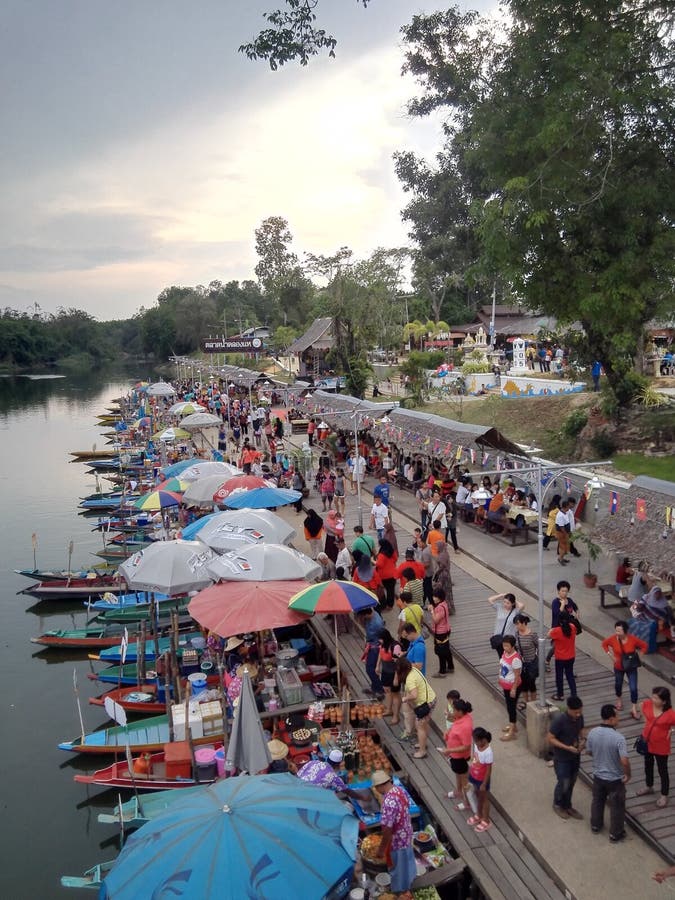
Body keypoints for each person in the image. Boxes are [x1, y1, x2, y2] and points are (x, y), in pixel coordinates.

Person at [586, 704, 630, 842]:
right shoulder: (619, 738)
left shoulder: (592, 732)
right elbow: (624, 761)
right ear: (611, 719)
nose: (619, 718)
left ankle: (595, 825)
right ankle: (615, 833)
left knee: (597, 801)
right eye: (617, 716)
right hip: (615, 779)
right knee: (617, 806)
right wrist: (628, 774)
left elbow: (588, 751)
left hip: (598, 775)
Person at [372, 769, 416, 896]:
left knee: (399, 867)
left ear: (381, 785)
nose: (376, 790)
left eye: (376, 787)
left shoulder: (388, 803)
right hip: (406, 831)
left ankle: (401, 890)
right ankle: (410, 880)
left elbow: (387, 829)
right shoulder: (399, 790)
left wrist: (381, 849)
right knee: (407, 859)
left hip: (397, 840)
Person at [636, 686, 675, 809]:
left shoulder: (670, 714)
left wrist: (672, 730)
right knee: (648, 764)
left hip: (661, 745)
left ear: (664, 701)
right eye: (653, 696)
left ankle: (664, 794)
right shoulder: (647, 704)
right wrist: (645, 721)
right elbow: (640, 705)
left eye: (656, 698)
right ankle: (649, 785)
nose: (653, 699)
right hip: (647, 741)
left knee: (662, 769)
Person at [548, 695, 585, 820]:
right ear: (569, 709)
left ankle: (567, 805)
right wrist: (566, 747)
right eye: (576, 712)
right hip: (562, 757)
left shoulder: (580, 718)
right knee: (564, 782)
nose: (578, 714)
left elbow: (581, 731)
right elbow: (550, 738)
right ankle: (558, 804)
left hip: (575, 756)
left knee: (572, 781)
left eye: (580, 711)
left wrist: (582, 741)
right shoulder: (559, 720)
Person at [601, 621, 648, 719]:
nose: (617, 632)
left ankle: (634, 707)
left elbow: (644, 645)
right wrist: (610, 655)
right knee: (618, 684)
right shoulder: (613, 639)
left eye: (619, 630)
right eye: (616, 630)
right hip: (618, 666)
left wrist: (640, 656)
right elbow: (604, 644)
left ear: (625, 631)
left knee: (633, 687)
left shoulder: (632, 639)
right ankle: (619, 699)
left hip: (631, 667)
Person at [397, 657, 436, 758]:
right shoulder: (413, 669)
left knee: (420, 726)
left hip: (426, 703)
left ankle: (422, 751)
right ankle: (423, 743)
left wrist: (405, 698)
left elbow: (414, 695)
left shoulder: (409, 679)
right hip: (431, 698)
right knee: (424, 723)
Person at [438, 698, 474, 810]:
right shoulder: (462, 717)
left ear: (459, 711)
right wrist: (448, 732)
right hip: (454, 756)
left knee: (465, 781)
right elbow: (454, 721)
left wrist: (449, 751)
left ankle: (467, 802)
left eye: (453, 710)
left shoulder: (465, 726)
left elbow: (466, 746)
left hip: (459, 757)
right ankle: (458, 791)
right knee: (458, 773)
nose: (452, 712)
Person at [549, 612, 582, 701]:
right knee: (570, 675)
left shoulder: (557, 631)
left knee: (559, 676)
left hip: (560, 658)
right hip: (571, 656)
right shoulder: (573, 627)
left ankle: (560, 694)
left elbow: (549, 635)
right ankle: (574, 694)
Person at [466, 727, 494, 832]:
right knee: (478, 796)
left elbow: (488, 770)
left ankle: (486, 820)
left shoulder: (488, 752)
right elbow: (474, 758)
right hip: (474, 775)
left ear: (483, 740)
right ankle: (478, 814)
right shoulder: (477, 746)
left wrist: (484, 783)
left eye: (477, 741)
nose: (475, 743)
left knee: (485, 798)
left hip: (482, 779)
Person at [498, 635, 522, 742]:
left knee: (511, 707)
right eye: (504, 645)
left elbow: (517, 675)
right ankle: (513, 725)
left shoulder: (516, 659)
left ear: (512, 646)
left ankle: (512, 732)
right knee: (509, 706)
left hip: (512, 686)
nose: (505, 648)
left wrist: (514, 688)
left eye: (507, 646)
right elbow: (502, 667)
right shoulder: (504, 653)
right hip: (505, 685)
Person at [487, 592, 524, 657]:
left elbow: (522, 605)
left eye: (508, 603)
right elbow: (490, 599)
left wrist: (514, 600)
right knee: (502, 658)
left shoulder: (515, 611)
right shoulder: (499, 607)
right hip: (498, 638)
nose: (505, 604)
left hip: (509, 640)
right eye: (504, 602)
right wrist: (501, 595)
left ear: (512, 603)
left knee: (512, 658)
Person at [359, 606, 385, 699]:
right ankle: (374, 687)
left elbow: (383, 638)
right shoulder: (372, 615)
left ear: (366, 614)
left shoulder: (377, 624)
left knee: (370, 669)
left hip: (375, 647)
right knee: (371, 668)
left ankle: (380, 689)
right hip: (370, 643)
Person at [378, 629, 403, 724]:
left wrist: (396, 677)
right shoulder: (383, 645)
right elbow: (380, 654)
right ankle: (389, 709)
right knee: (387, 690)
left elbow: (399, 663)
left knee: (395, 694)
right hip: (385, 671)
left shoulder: (395, 646)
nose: (379, 641)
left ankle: (396, 716)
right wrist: (377, 665)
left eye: (380, 639)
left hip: (394, 673)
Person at [514, 614, 538, 707]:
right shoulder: (517, 634)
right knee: (523, 683)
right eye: (515, 624)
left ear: (524, 623)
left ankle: (533, 702)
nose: (517, 626)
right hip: (522, 663)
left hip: (531, 662)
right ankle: (526, 702)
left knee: (532, 683)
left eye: (518, 624)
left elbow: (538, 646)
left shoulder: (532, 634)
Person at [430, 587, 454, 677]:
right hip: (446, 630)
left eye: (435, 597)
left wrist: (432, 611)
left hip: (441, 632)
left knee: (441, 652)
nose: (433, 598)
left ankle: (442, 671)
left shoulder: (439, 608)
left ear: (439, 597)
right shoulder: (444, 604)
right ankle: (450, 666)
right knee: (446, 649)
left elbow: (436, 620)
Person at [375, 538, 399, 610]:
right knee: (391, 590)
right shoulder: (392, 551)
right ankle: (390, 605)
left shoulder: (382, 554)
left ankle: (384, 604)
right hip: (392, 573)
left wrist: (373, 561)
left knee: (382, 590)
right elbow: (395, 559)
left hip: (383, 575)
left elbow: (380, 564)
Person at [433, 540, 453, 611]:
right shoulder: (445, 553)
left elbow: (442, 566)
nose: (436, 547)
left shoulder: (442, 556)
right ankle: (448, 607)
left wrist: (437, 573)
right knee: (447, 591)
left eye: (437, 546)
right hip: (446, 574)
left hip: (443, 575)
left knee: (443, 591)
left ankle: (445, 608)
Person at [555, 499, 572, 565]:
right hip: (562, 533)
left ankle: (562, 558)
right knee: (563, 547)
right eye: (568, 507)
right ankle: (560, 559)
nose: (569, 508)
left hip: (565, 532)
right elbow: (562, 527)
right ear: (565, 507)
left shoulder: (564, 513)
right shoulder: (560, 515)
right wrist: (566, 534)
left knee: (565, 546)